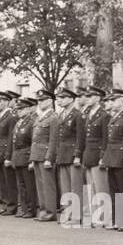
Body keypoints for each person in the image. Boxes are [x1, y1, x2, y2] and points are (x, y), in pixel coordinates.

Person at [100, 88, 123, 231]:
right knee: (114, 190)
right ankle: (117, 220)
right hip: (112, 158)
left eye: (114, 100)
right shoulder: (115, 117)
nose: (111, 103)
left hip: (121, 159)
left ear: (122, 101)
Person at [48, 87, 82, 220]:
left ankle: (77, 214)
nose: (59, 101)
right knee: (65, 186)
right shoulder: (61, 114)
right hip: (62, 154)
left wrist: (77, 155)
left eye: (62, 98)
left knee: (75, 186)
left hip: (72, 154)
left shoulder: (77, 115)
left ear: (71, 99)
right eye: (58, 98)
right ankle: (68, 212)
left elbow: (80, 136)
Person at [82, 87, 110, 227]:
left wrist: (103, 156)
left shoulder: (104, 115)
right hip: (88, 154)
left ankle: (104, 217)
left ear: (98, 98)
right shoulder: (88, 114)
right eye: (87, 96)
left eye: (91, 96)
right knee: (91, 187)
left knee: (101, 188)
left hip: (98, 153)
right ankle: (95, 216)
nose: (87, 98)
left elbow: (105, 138)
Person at [30, 91, 58, 221]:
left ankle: (50, 212)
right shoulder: (39, 118)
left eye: (42, 100)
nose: (39, 103)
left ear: (50, 101)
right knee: (40, 185)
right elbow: (34, 139)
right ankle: (43, 210)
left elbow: (53, 140)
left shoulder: (53, 118)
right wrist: (32, 157)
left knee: (48, 185)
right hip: (37, 154)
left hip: (45, 154)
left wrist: (49, 158)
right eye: (38, 101)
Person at [0, 92, 19, 215]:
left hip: (5, 151)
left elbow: (10, 137)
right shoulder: (1, 115)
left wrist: (8, 155)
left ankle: (11, 206)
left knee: (9, 180)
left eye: (2, 101)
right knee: (2, 181)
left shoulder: (11, 116)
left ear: (8, 102)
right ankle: (5, 204)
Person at [11, 97, 37, 218]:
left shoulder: (31, 122)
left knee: (29, 185)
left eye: (21, 109)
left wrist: (32, 160)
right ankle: (24, 208)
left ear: (27, 109)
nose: (18, 111)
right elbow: (14, 142)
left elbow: (33, 142)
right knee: (21, 185)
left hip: (26, 156)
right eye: (17, 109)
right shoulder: (18, 123)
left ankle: (31, 209)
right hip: (18, 156)